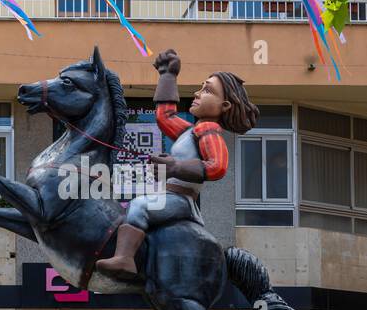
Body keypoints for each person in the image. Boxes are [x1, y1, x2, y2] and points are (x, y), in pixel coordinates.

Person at [96, 50, 259, 279]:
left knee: (139, 206)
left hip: (180, 200)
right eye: (201, 87)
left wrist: (175, 167)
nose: (197, 93)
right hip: (171, 195)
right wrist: (167, 75)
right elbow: (166, 117)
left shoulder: (208, 131)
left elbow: (217, 166)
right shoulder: (191, 131)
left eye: (207, 90)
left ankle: (125, 259)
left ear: (224, 106)